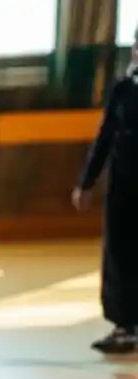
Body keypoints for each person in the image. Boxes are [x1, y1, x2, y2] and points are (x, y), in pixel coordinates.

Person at [72, 24, 138, 355]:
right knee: (120, 255)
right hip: (125, 187)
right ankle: (124, 325)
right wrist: (86, 181)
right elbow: (105, 137)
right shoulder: (123, 89)